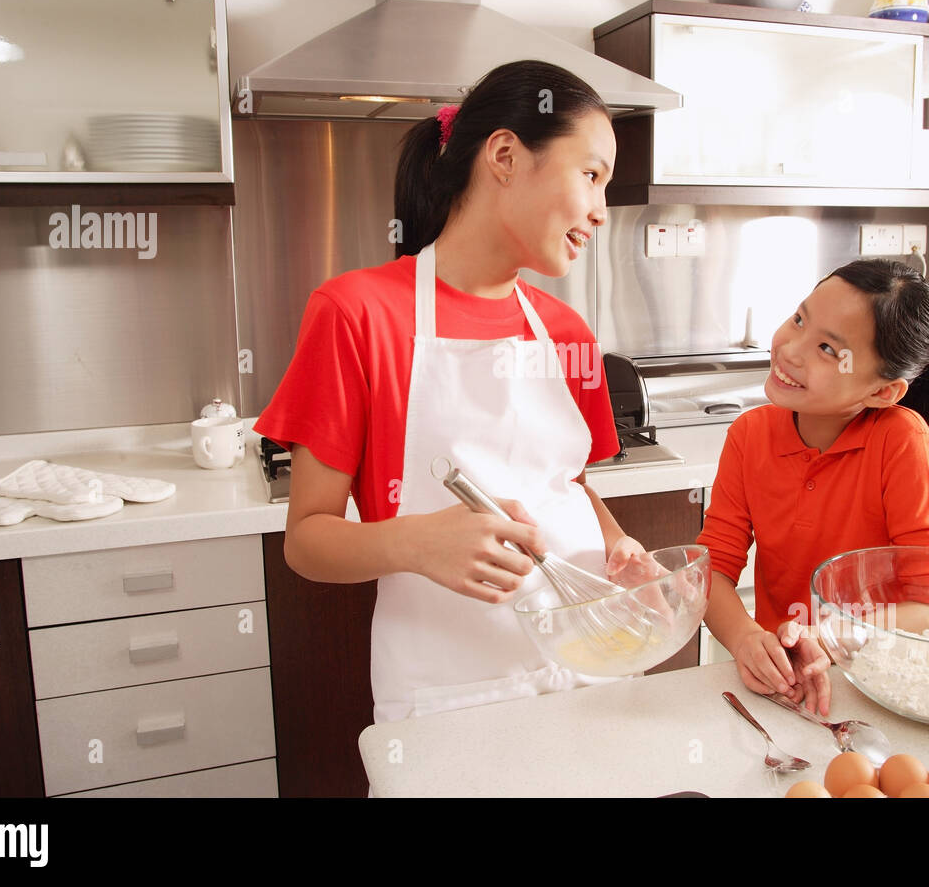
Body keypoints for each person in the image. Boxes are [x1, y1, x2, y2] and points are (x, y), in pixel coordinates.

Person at [255, 60, 654, 724]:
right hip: (451, 694)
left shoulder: (566, 331)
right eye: (591, 175)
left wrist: (617, 546)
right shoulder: (356, 313)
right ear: (504, 154)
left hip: (588, 669)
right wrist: (413, 543)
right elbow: (306, 540)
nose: (601, 211)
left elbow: (569, 485)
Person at [698, 258, 929, 717]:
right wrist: (745, 639)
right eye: (800, 319)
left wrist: (833, 637)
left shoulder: (903, 445)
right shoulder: (749, 436)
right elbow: (712, 571)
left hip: (879, 684)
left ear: (882, 392)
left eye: (826, 349)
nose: (791, 350)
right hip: (787, 682)